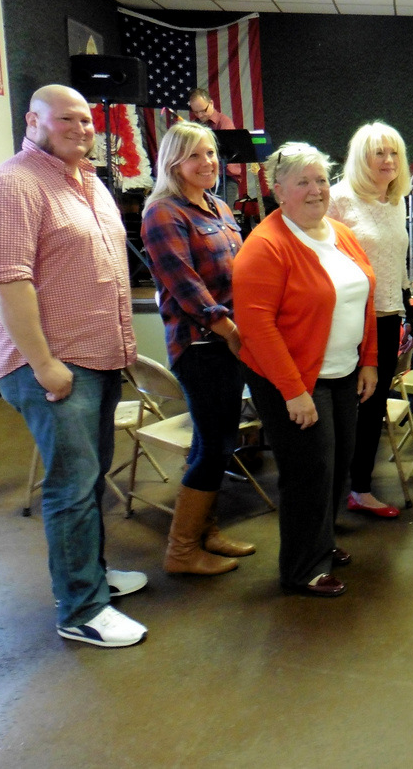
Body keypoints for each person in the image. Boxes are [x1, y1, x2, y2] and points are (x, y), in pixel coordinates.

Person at [0, 84, 147, 647]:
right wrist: (43, 363)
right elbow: (7, 280)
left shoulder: (88, 183)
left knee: (91, 479)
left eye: (89, 121)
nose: (81, 128)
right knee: (70, 487)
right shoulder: (11, 184)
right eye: (67, 119)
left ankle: (89, 576)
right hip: (54, 364)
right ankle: (81, 609)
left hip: (95, 358)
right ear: (33, 120)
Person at [233, 143, 379, 597]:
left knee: (337, 464)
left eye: (321, 180)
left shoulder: (338, 232)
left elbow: (366, 296)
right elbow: (256, 327)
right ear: (278, 192)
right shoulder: (265, 246)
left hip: (341, 369)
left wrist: (369, 359)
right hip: (291, 378)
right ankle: (302, 567)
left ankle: (323, 541)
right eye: (303, 182)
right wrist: (293, 391)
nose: (316, 190)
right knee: (309, 471)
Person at [142, 121, 255, 577]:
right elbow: (185, 285)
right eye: (196, 156)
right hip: (203, 345)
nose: (209, 162)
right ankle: (182, 550)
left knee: (218, 441)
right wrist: (229, 329)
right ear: (174, 163)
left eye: (211, 153)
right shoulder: (163, 213)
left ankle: (205, 530)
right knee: (214, 444)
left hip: (229, 340)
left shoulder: (218, 206)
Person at [327, 122, 412, 521]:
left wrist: (406, 302)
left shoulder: (395, 201)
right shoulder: (339, 200)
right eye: (379, 152)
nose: (388, 161)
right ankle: (329, 496)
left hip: (388, 315)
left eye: (394, 152)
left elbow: (395, 261)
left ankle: (359, 488)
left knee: (373, 406)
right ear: (361, 157)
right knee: (344, 408)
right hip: (347, 319)